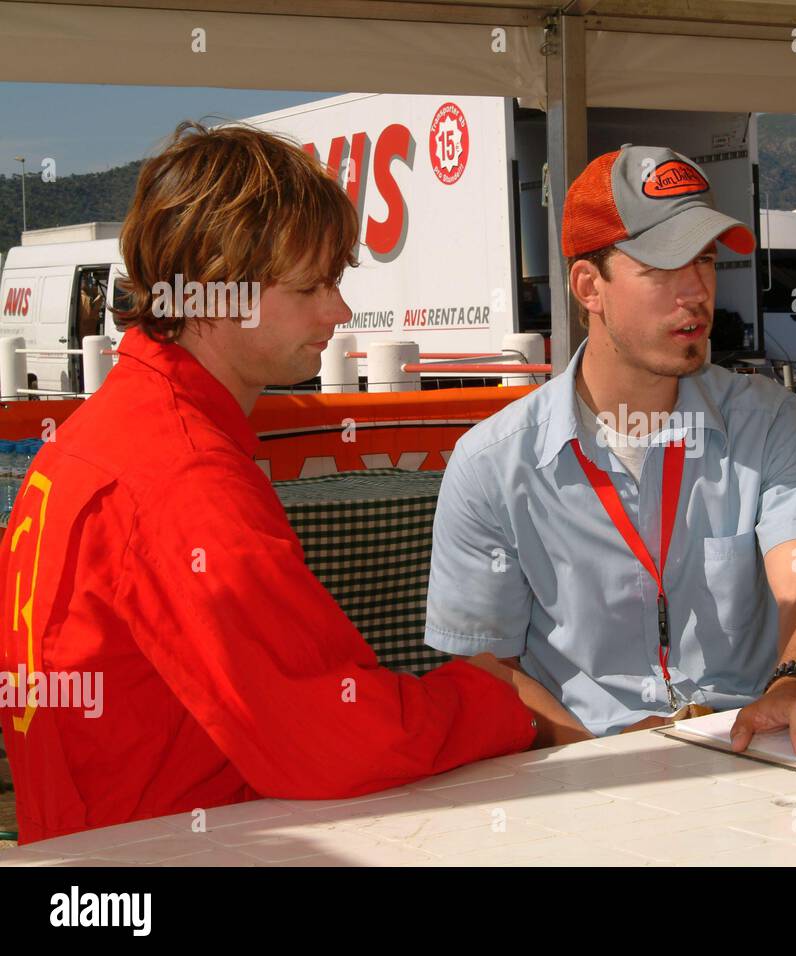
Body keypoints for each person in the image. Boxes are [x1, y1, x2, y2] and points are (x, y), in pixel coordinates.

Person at [0, 121, 553, 845]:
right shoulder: (181, 471)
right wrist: (501, 701)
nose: (340, 311)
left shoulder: (100, 433)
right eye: (313, 285)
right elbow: (332, 738)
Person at [425, 145, 796, 756]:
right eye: (663, 267)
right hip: (584, 772)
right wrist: (599, 747)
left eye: (704, 260)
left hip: (755, 745)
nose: (697, 291)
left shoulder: (770, 420)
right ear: (589, 286)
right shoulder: (492, 464)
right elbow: (485, 666)